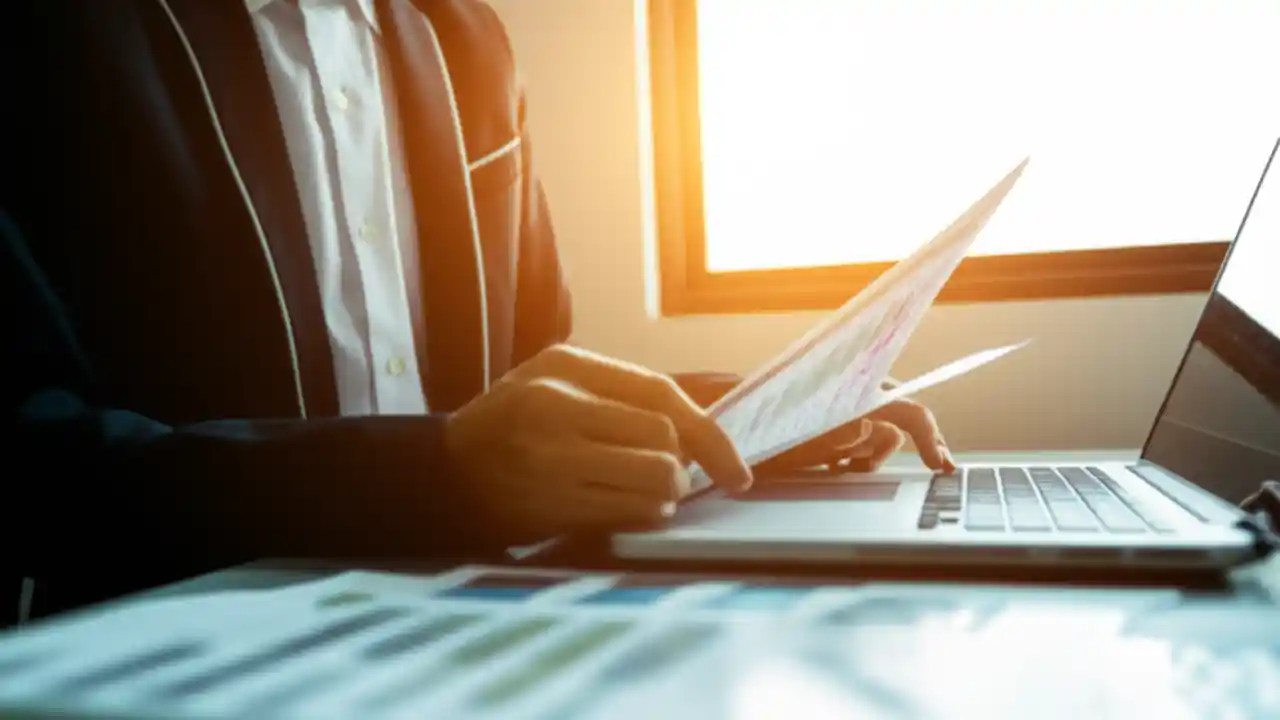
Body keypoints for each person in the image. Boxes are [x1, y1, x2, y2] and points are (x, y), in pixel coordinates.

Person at [2, 0, 952, 618]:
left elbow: (527, 385)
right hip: (178, 660)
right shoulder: (47, 43)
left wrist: (738, 421)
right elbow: (33, 463)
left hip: (483, 625)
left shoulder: (466, 39)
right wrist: (435, 478)